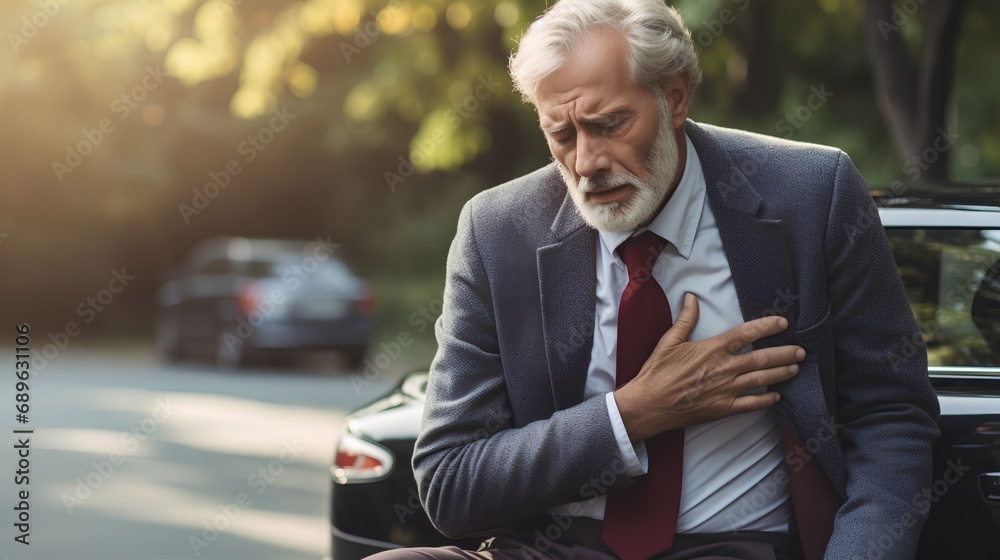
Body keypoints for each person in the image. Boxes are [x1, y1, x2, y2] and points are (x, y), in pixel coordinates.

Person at [368, 1, 940, 558]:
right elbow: (450, 483)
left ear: (675, 96)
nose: (587, 162)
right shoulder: (497, 232)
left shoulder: (812, 194)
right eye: (562, 135)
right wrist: (635, 412)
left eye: (610, 124)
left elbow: (893, 417)